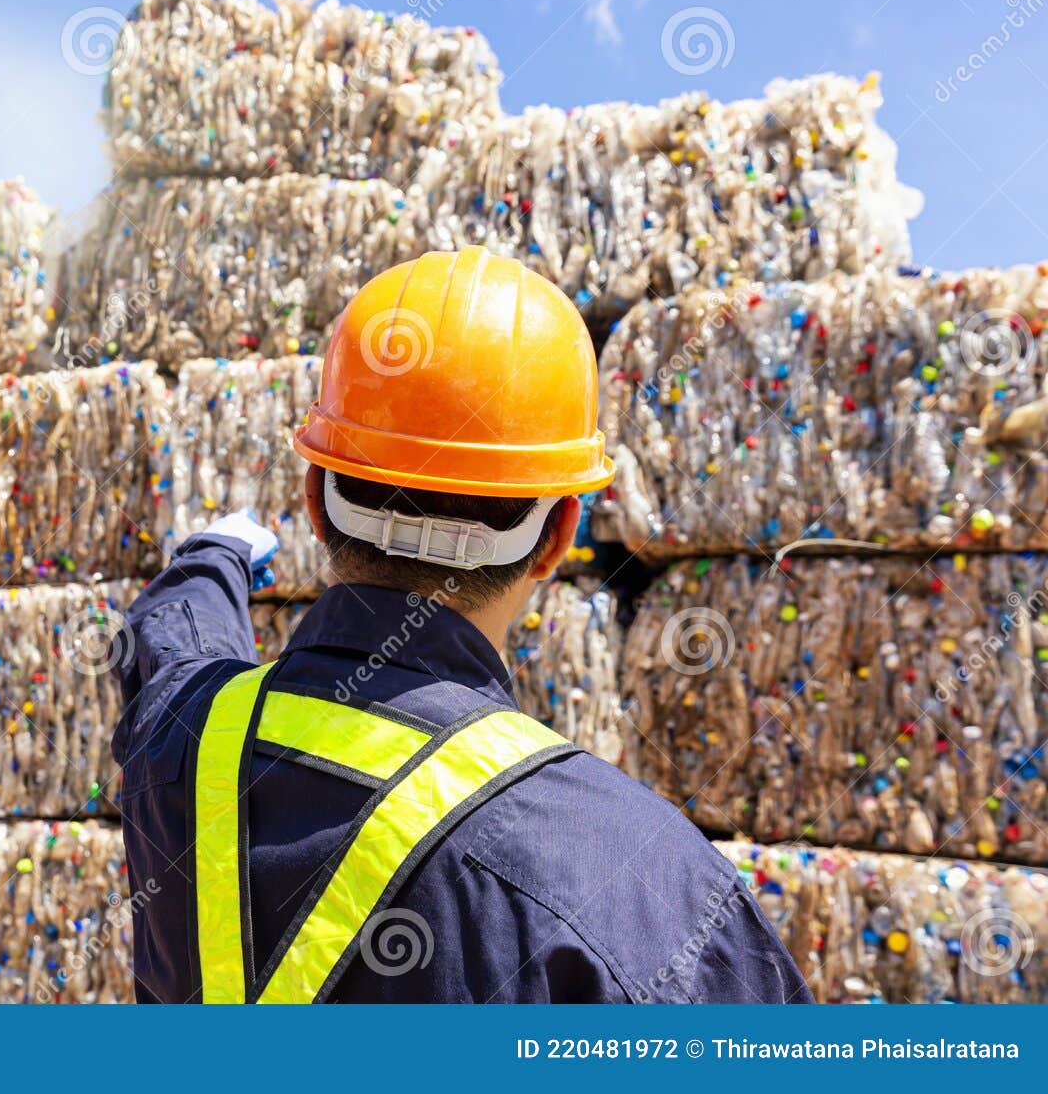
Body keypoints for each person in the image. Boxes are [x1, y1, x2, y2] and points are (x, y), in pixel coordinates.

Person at [114, 246, 810, 1003]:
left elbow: (176, 646)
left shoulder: (180, 741)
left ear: (316, 498)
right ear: (558, 535)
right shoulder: (644, 877)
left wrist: (212, 555)